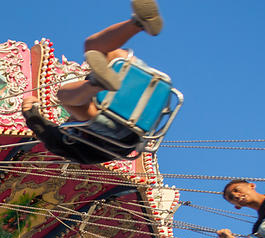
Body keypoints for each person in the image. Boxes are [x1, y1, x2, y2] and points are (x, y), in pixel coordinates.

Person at [22, 0, 164, 164]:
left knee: (92, 48)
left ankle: (138, 22)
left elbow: (55, 140)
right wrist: (32, 116)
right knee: (67, 96)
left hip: (136, 114)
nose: (69, 119)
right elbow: (51, 138)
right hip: (135, 113)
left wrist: (32, 116)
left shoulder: (80, 142)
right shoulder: (79, 140)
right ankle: (136, 25)